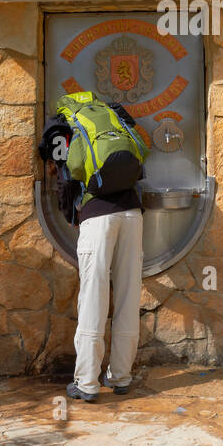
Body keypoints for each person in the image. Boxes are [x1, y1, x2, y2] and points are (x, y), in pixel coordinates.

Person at [41, 96, 146, 403]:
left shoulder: (62, 124)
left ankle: (87, 382)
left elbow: (65, 176)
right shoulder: (113, 112)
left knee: (93, 296)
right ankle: (121, 377)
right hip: (132, 212)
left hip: (97, 215)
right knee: (128, 294)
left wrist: (73, 216)